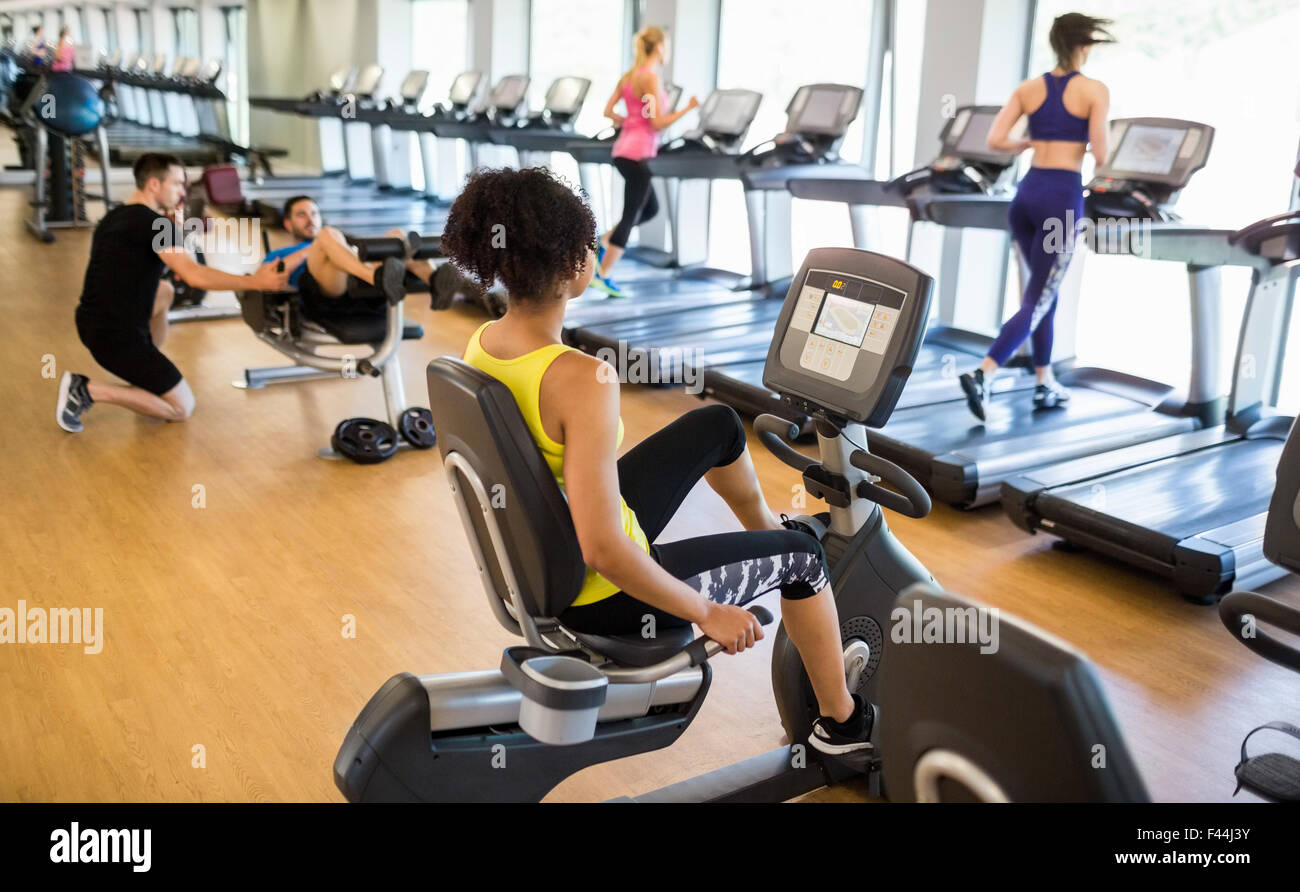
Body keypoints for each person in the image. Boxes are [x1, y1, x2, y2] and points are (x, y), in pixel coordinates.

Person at [443, 166, 876, 756]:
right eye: (589, 244)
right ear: (573, 261)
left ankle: (766, 537)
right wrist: (706, 612)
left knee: (719, 425)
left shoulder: (485, 342)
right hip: (609, 591)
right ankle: (842, 726)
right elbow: (603, 548)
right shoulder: (580, 379)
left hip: (553, 550)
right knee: (806, 558)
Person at [56, 153, 291, 433]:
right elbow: (194, 275)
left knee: (165, 291)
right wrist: (255, 282)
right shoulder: (157, 225)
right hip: (115, 338)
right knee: (182, 408)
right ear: (154, 185)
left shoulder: (116, 216)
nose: (182, 192)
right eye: (178, 184)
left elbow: (148, 266)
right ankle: (85, 390)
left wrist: (177, 228)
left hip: (92, 322)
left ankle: (142, 377)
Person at [959, 12, 1113, 421]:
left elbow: (995, 140)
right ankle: (983, 373)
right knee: (1039, 296)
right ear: (1084, 46)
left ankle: (1044, 380)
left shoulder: (1028, 89)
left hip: (1026, 196)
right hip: (1061, 196)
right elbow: (1101, 153)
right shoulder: (1094, 90)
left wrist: (1028, 142)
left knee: (1043, 293)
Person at [588, 26, 700, 297]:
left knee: (649, 210)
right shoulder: (650, 79)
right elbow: (656, 122)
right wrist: (688, 108)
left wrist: (630, 122)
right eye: (668, 47)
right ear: (660, 48)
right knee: (631, 214)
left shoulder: (629, 77)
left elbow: (608, 111)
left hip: (624, 150)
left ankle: (604, 240)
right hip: (639, 154)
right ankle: (603, 273)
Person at [263, 195, 433, 321]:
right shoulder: (281, 254)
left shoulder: (336, 240)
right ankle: (376, 277)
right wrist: (310, 250)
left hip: (365, 291)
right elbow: (267, 278)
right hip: (327, 299)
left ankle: (435, 280)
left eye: (314, 214)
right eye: (301, 215)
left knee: (397, 235)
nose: (310, 219)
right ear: (287, 223)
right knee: (327, 234)